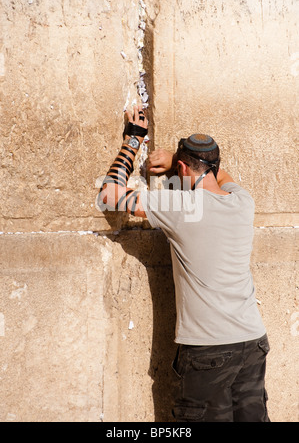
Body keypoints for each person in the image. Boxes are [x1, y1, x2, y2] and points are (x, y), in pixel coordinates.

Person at [98, 106, 270, 422]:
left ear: (181, 168)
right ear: (214, 166)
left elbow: (108, 196)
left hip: (209, 351)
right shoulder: (242, 201)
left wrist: (132, 141)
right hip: (253, 343)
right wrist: (183, 167)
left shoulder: (182, 204)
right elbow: (223, 177)